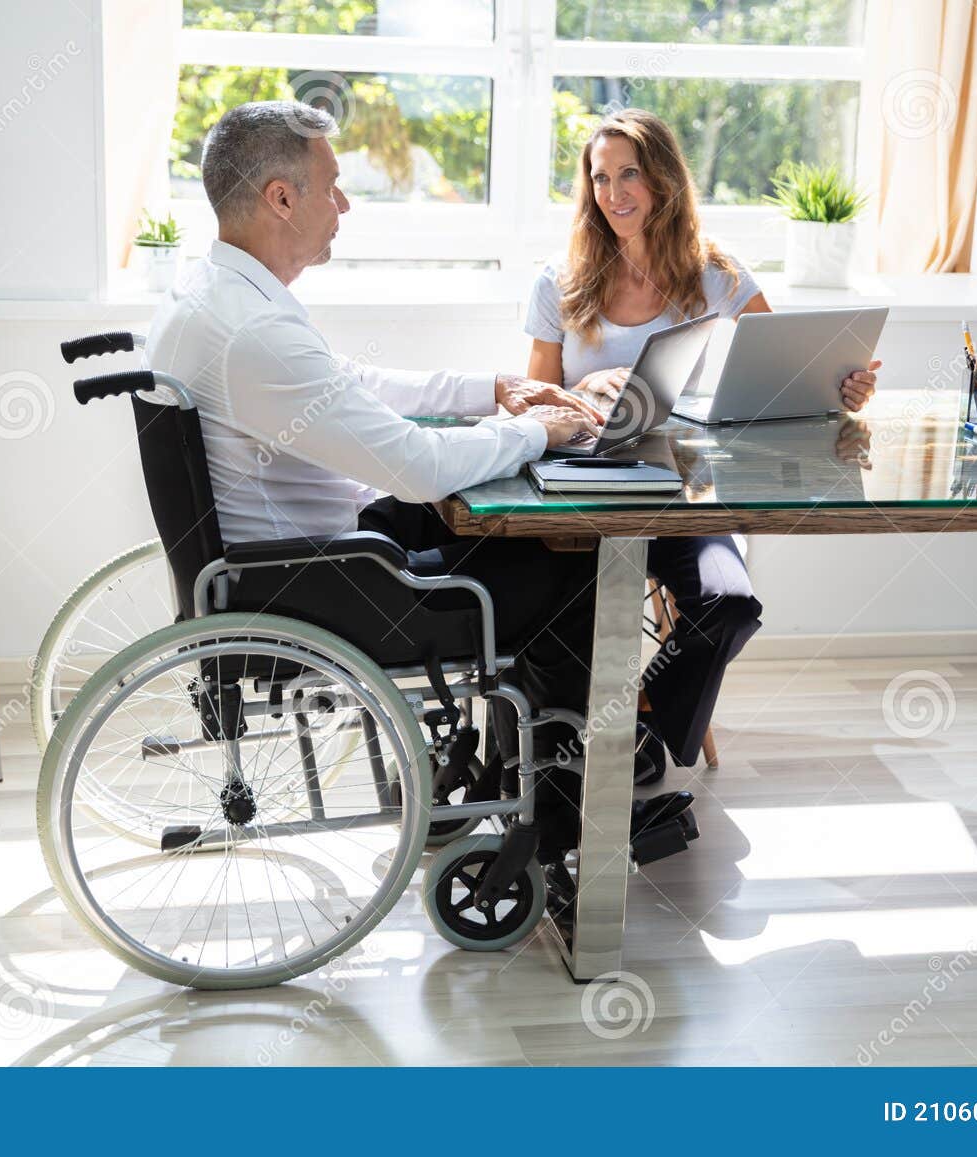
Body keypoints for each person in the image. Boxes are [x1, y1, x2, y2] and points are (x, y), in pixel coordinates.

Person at [141, 100, 683, 874]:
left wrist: (494, 390)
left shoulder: (218, 296)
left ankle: (499, 770)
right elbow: (418, 465)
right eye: (332, 185)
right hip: (320, 587)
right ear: (281, 198)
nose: (345, 203)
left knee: (473, 529)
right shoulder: (254, 331)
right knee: (581, 572)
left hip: (295, 563)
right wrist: (540, 432)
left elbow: (349, 384)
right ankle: (564, 817)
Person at [525, 108, 881, 784]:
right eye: (600, 178)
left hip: (685, 494)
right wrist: (587, 393)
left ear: (663, 178)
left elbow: (791, 372)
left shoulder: (715, 274)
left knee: (730, 604)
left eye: (629, 173)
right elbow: (531, 399)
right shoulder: (560, 280)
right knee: (559, 616)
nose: (614, 192)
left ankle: (642, 721)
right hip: (588, 498)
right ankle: (587, 754)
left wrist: (846, 387)